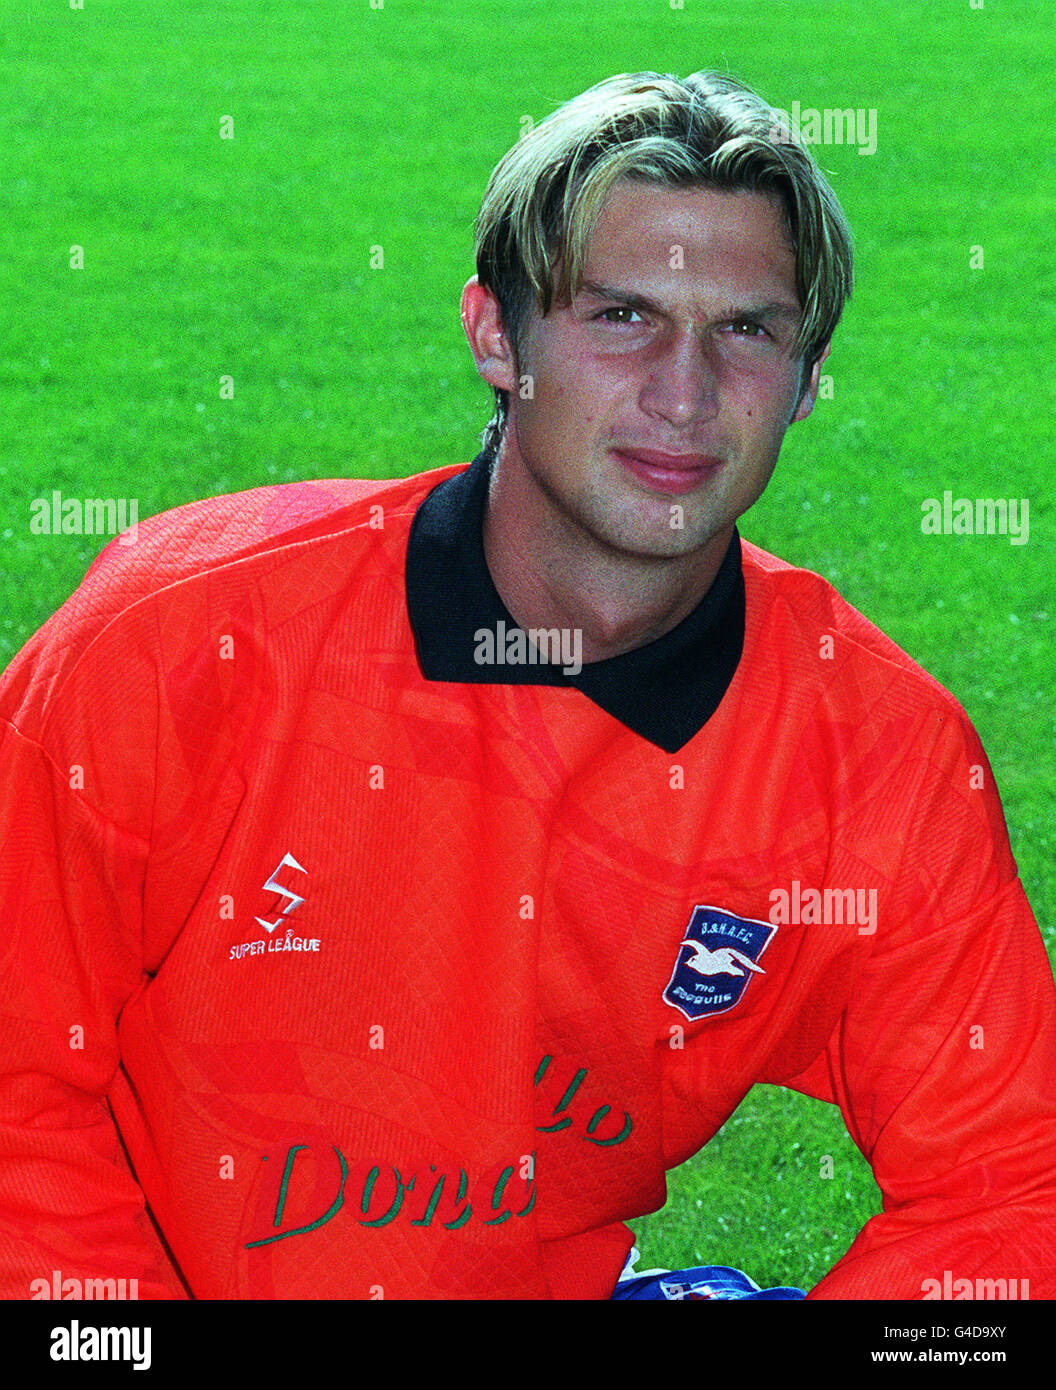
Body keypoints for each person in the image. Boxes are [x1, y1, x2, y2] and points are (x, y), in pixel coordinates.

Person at [1, 69, 1053, 1302]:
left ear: (808, 379)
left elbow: (1009, 1185)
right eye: (621, 316)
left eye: (747, 331)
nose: (684, 392)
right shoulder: (179, 635)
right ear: (498, 335)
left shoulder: (878, 754)